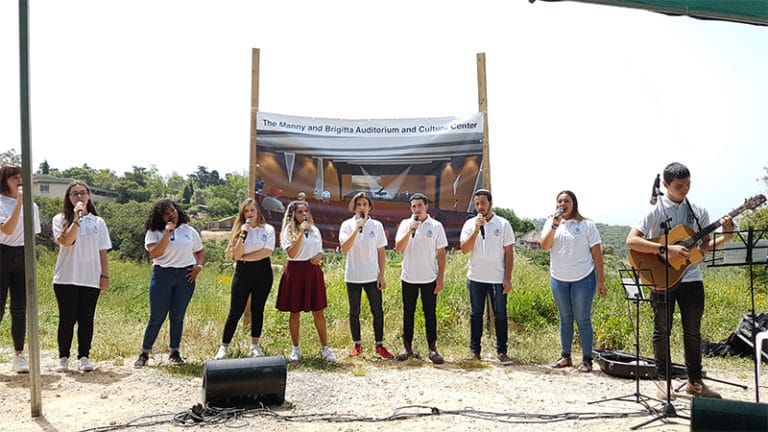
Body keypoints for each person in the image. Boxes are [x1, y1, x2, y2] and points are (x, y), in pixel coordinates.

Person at [626, 162, 732, 399]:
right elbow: (632, 242)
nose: (685, 189)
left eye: (688, 184)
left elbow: (704, 248)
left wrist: (725, 238)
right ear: (665, 185)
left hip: (692, 278)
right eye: (679, 186)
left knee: (693, 332)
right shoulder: (655, 211)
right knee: (661, 330)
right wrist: (665, 249)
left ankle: (695, 382)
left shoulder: (698, 211)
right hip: (662, 278)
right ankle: (664, 382)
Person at [541, 190, 607, 373]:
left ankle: (587, 360)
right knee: (565, 318)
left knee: (583, 318)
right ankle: (565, 356)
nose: (563, 204)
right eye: (559, 201)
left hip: (583, 279)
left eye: (566, 201)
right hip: (559, 279)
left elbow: (597, 254)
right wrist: (554, 225)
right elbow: (544, 246)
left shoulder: (586, 225)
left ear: (574, 203)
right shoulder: (550, 223)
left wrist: (601, 280)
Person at [134, 199, 205, 367]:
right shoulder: (154, 232)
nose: (171, 214)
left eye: (173, 210)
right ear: (161, 217)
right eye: (166, 213)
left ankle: (174, 352)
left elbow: (200, 251)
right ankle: (145, 353)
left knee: (178, 316)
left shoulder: (189, 231)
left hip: (185, 276)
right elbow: (155, 253)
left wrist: (199, 266)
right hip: (162, 275)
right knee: (157, 316)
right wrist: (167, 233)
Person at [51, 181, 112, 372]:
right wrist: (76, 220)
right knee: (67, 319)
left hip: (91, 278)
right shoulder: (60, 219)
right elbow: (66, 241)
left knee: (87, 319)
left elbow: (103, 251)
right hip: (66, 278)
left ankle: (84, 356)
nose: (79, 197)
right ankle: (63, 358)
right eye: (74, 194)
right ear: (69, 198)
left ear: (89, 196)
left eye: (82, 193)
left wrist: (105, 275)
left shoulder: (98, 222)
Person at [214, 198, 275, 359]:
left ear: (258, 212)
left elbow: (267, 252)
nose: (250, 214)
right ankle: (224, 347)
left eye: (252, 210)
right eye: (246, 211)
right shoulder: (240, 230)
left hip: (263, 272)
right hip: (243, 273)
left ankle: (255, 346)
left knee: (257, 309)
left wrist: (246, 258)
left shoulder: (267, 229)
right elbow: (237, 254)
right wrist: (243, 234)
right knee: (235, 310)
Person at [459, 189, 515, 364]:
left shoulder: (503, 224)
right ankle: (475, 351)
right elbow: (464, 249)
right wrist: (476, 230)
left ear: (490, 203)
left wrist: (507, 278)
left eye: (483, 202)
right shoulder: (469, 224)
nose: (480, 207)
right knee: (476, 315)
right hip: (476, 277)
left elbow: (509, 253)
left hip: (497, 279)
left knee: (500, 314)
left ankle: (502, 352)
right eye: (476, 204)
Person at [276, 200, 335, 362]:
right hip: (295, 271)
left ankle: (325, 348)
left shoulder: (315, 230)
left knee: (318, 311)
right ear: (293, 214)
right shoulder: (288, 230)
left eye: (306, 211)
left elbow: (320, 250)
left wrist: (320, 256)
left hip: (312, 272)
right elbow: (292, 254)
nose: (304, 214)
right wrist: (301, 233)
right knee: (295, 312)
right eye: (300, 212)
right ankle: (296, 349)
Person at [394, 193, 447, 364]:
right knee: (408, 313)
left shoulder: (436, 226)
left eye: (419, 206)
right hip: (409, 277)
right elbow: (399, 248)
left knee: (430, 314)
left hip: (429, 278)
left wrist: (440, 278)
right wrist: (410, 230)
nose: (417, 209)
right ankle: (407, 347)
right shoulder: (405, 224)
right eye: (413, 206)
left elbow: (441, 254)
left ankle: (432, 349)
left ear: (426, 207)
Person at [339, 192, 393, 359]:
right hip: (353, 275)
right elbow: (345, 248)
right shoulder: (347, 225)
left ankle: (379, 345)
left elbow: (381, 252)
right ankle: (357, 345)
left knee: (377, 311)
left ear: (370, 207)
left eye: (364, 204)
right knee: (354, 312)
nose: (362, 207)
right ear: (354, 207)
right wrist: (357, 228)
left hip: (372, 276)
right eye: (358, 204)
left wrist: (381, 275)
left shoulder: (376, 226)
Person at [0, 165, 40, 373]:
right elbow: (6, 228)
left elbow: (32, 234)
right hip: (2, 253)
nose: (18, 180)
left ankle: (19, 355)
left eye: (20, 176)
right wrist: (18, 205)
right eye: (13, 177)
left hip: (22, 255)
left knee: (19, 308)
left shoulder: (31, 206)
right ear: (4, 181)